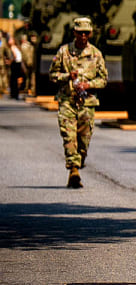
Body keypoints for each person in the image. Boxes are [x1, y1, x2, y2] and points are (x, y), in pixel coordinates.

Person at [49, 17, 108, 189]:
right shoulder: (64, 52)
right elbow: (52, 75)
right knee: (68, 136)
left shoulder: (96, 54)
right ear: (74, 32)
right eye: (80, 32)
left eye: (86, 33)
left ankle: (78, 161)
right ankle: (73, 170)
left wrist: (89, 84)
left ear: (90, 34)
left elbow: (103, 79)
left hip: (87, 103)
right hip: (67, 101)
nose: (83, 36)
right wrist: (67, 76)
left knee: (83, 140)